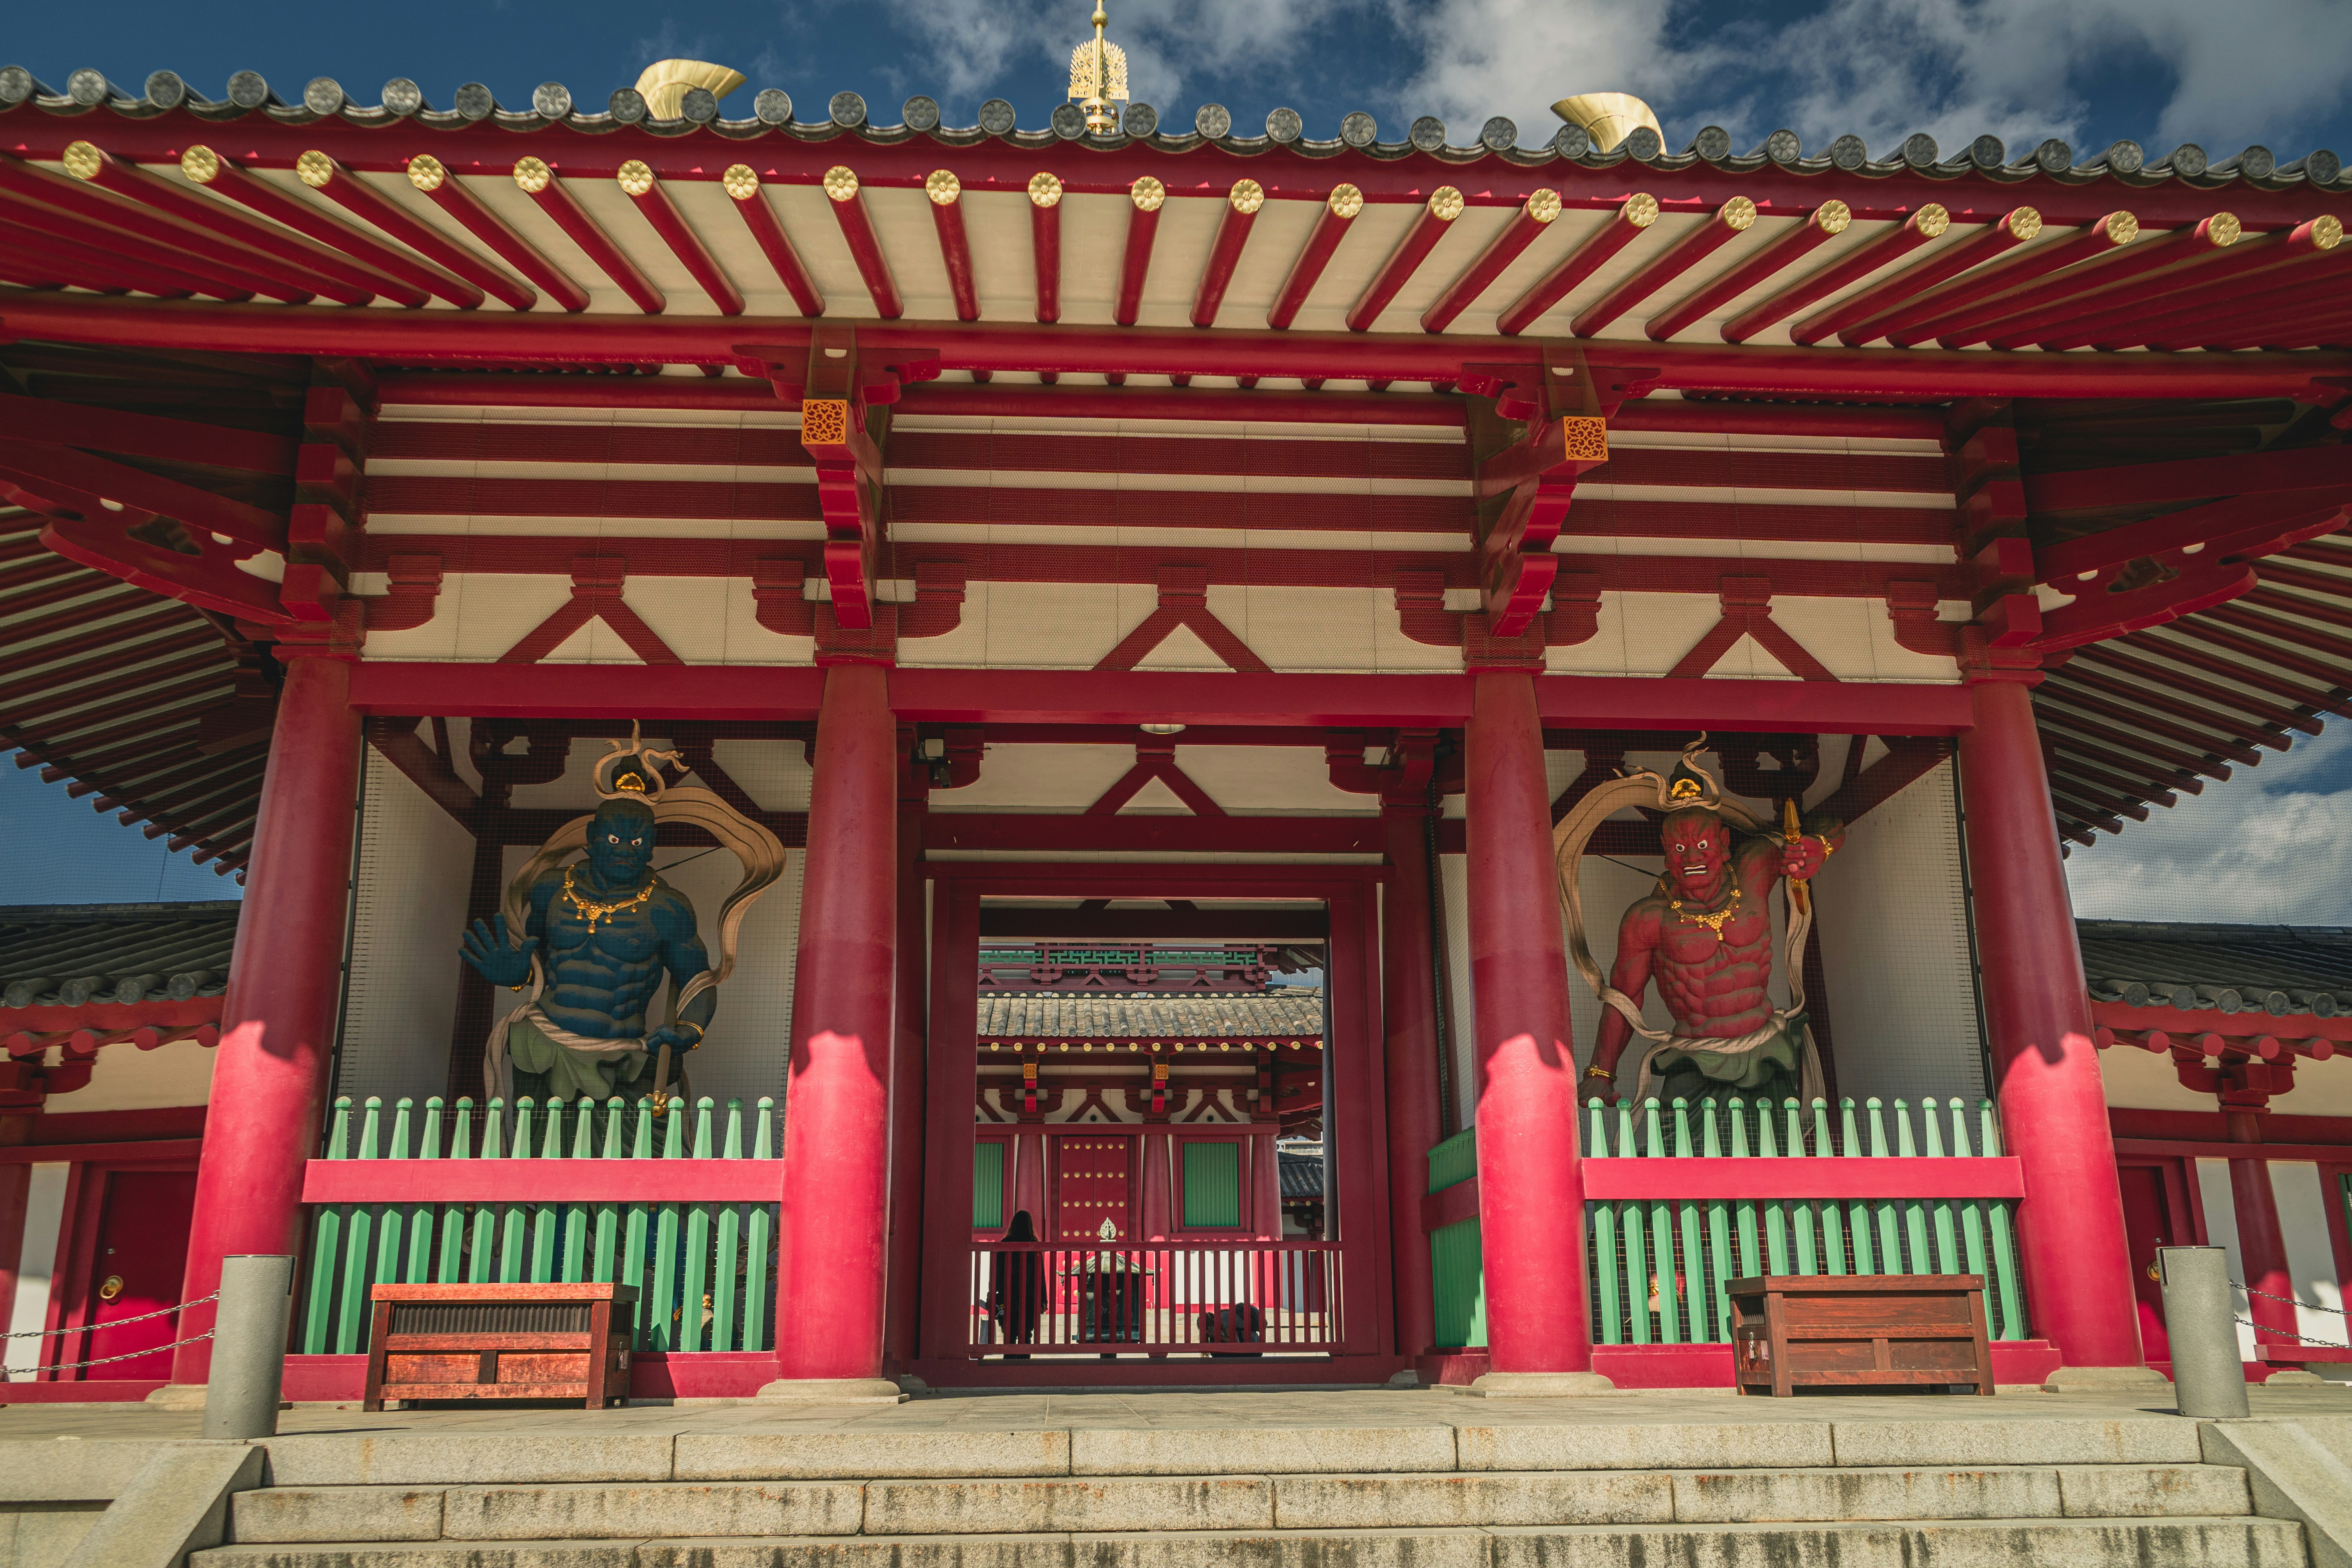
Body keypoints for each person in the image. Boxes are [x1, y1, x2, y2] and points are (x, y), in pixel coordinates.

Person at [988, 1210, 1045, 1359]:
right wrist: (1043, 1299)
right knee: (1026, 1334)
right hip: (1030, 1297)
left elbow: (997, 1272)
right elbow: (1040, 1275)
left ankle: (1008, 1364)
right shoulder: (1034, 1246)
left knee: (1009, 1334)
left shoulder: (1004, 1245)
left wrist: (993, 1292)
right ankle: (1024, 1365)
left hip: (1008, 1296)